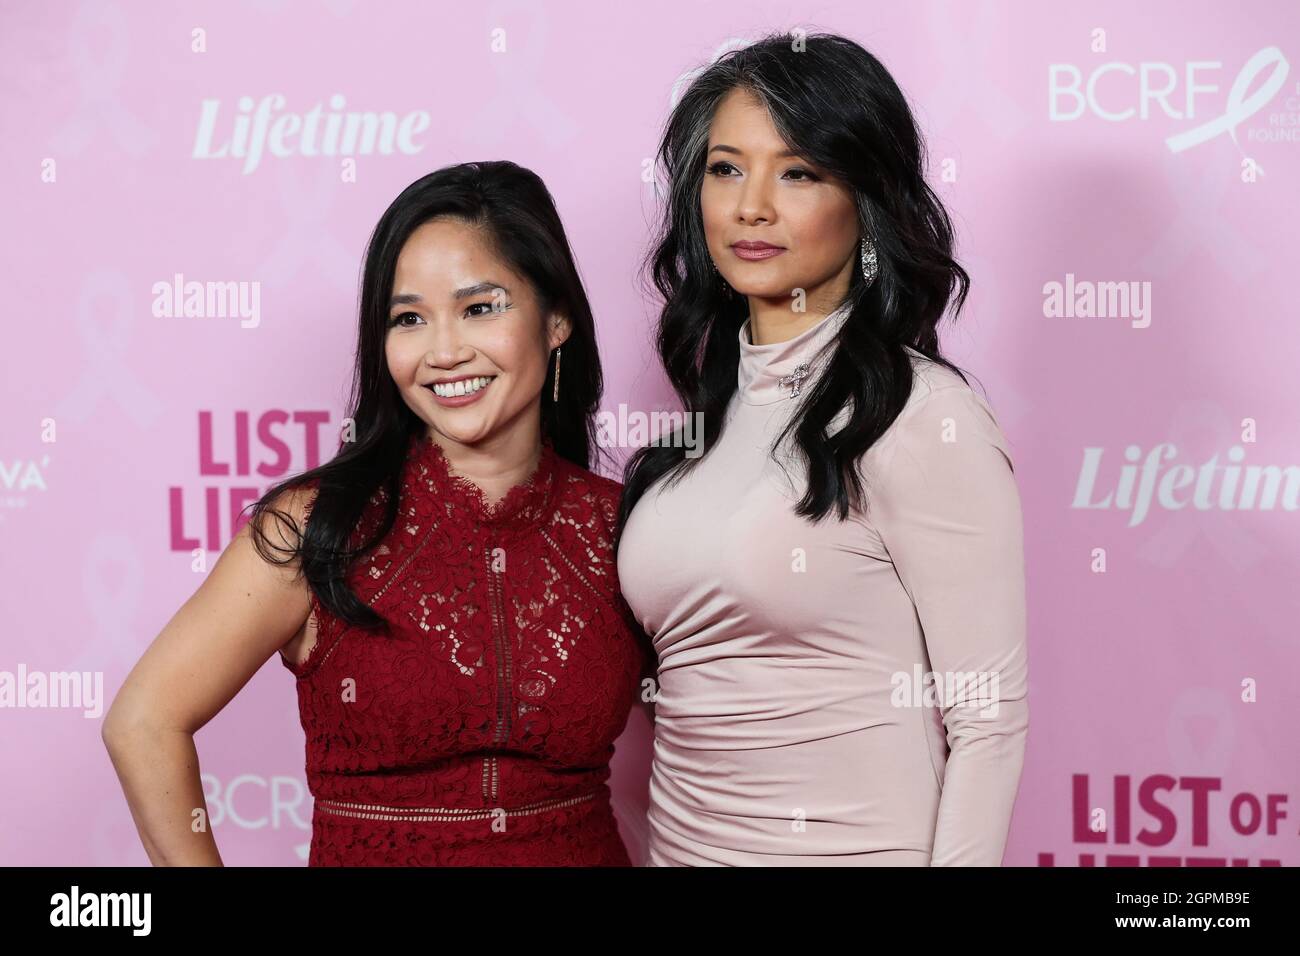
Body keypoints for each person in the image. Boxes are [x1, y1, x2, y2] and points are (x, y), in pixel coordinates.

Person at [103, 160, 654, 866]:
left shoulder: (627, 527)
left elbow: (727, 735)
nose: (445, 350)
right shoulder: (317, 528)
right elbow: (144, 721)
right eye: (409, 319)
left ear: (556, 320)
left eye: (480, 307)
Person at [616, 32, 1029, 866]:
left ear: (865, 198)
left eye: (798, 172)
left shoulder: (919, 416)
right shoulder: (702, 428)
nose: (751, 206)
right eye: (726, 168)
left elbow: (988, 721)